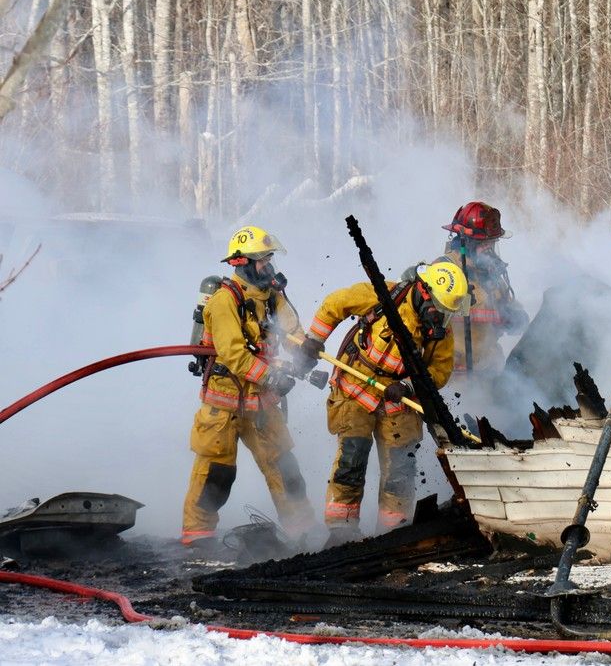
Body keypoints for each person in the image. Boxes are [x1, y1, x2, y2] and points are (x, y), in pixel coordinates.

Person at [301, 261, 470, 540]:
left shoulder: (440, 331)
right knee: (352, 458)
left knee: (401, 467)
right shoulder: (384, 296)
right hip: (356, 386)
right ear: (425, 294)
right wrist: (314, 340)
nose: (442, 319)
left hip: (398, 399)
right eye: (440, 310)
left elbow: (440, 372)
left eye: (447, 313)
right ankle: (341, 530)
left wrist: (406, 385)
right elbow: (336, 303)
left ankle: (394, 533)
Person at [181, 226, 315, 548]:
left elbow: (292, 330)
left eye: (270, 259)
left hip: (262, 403)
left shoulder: (272, 296)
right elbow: (234, 354)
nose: (269, 267)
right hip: (224, 404)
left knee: (286, 470)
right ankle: (197, 537)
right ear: (242, 263)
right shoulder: (224, 301)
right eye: (263, 260)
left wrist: (306, 350)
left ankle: (304, 533)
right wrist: (271, 377)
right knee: (216, 474)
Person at [439, 201, 528, 376]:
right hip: (454, 377)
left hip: (489, 372)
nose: (489, 248)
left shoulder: (492, 275)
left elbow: (515, 316)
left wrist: (516, 318)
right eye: (483, 243)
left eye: (492, 242)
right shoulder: (446, 272)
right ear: (466, 242)